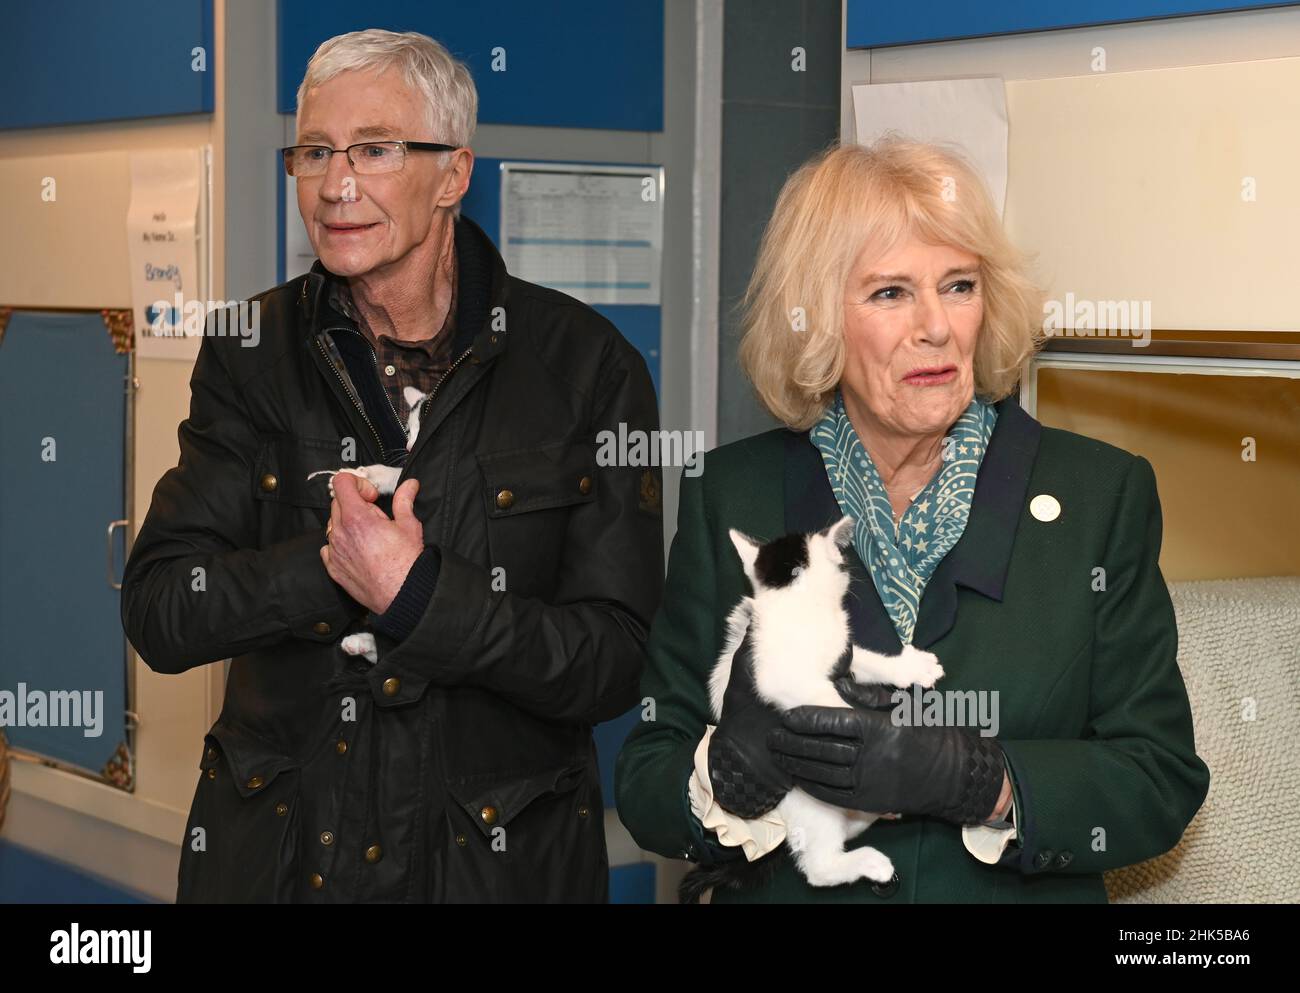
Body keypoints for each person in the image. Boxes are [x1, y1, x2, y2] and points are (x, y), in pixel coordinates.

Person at [121, 28, 662, 903]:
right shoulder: (249, 354)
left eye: (375, 150)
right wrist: (330, 570)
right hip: (282, 866)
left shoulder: (588, 369)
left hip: (495, 872)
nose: (337, 185)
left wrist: (419, 597)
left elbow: (614, 662)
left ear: (453, 174)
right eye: (315, 152)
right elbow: (160, 609)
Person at [615, 136, 1210, 903]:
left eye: (959, 285)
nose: (936, 326)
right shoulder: (734, 492)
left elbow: (1159, 777)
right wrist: (727, 773)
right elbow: (645, 773)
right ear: (818, 318)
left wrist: (985, 783)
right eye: (890, 293)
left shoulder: (1099, 494)